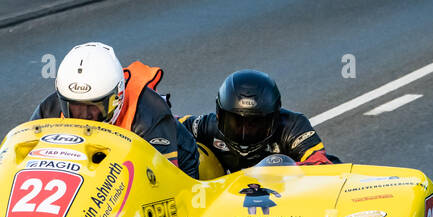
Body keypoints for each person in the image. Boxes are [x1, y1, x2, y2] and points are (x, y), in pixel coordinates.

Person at [32, 42, 200, 178]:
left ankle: (193, 124)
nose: (83, 118)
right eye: (74, 107)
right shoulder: (49, 111)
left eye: (92, 108)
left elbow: (164, 183)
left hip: (177, 164)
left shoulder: (149, 114)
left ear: (117, 98)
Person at [181, 70, 336, 173]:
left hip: (288, 195)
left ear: (274, 118)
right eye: (236, 123)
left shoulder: (293, 126)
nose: (244, 132)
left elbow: (321, 165)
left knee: (335, 165)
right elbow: (169, 125)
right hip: (229, 199)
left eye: (254, 124)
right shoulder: (208, 125)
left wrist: (279, 170)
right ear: (220, 116)